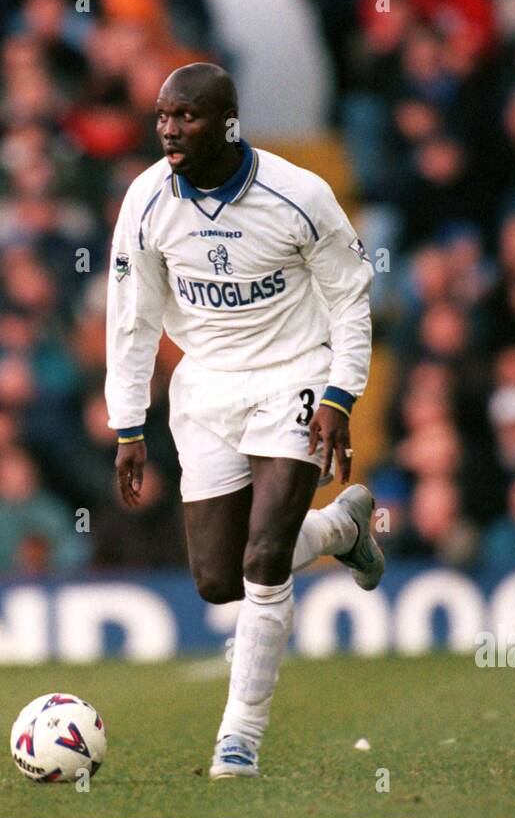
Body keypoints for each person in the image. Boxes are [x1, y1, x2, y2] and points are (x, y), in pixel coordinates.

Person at [105, 62, 384, 779]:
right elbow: (131, 322)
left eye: (186, 117)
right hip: (204, 388)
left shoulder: (299, 195)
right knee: (217, 579)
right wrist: (129, 424)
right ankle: (339, 530)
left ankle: (239, 739)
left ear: (228, 123)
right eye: (163, 116)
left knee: (263, 563)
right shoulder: (145, 202)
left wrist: (339, 394)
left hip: (295, 372)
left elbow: (351, 294)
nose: (169, 129)